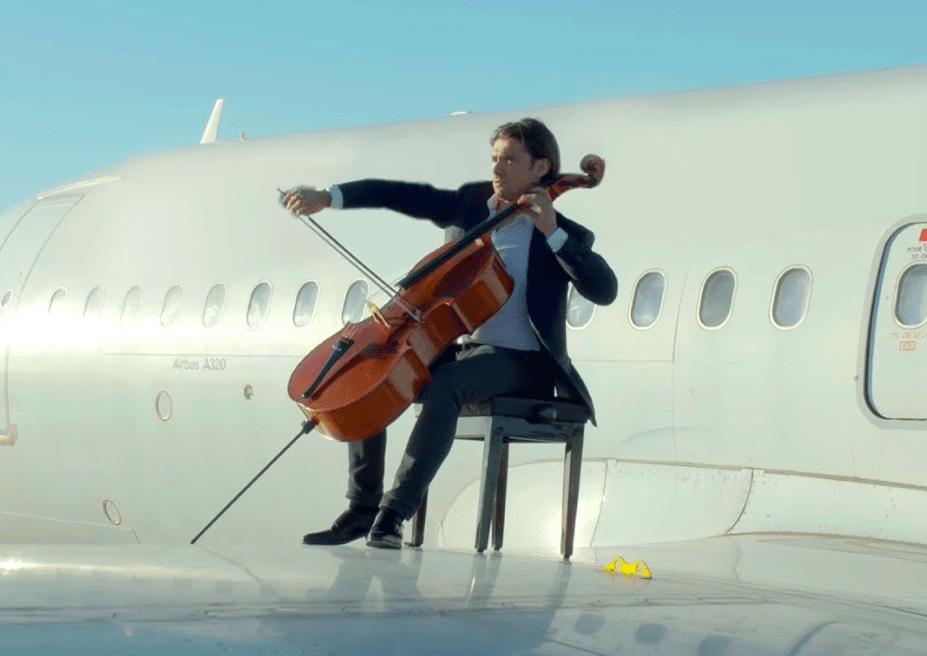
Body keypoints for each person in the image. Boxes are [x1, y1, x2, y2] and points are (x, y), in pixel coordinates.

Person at [282, 118, 617, 549]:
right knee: (372, 374)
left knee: (446, 386)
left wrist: (551, 231)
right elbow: (401, 194)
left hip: (523, 362)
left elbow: (604, 289)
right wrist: (329, 196)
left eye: (510, 159)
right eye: (495, 158)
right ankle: (361, 509)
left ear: (540, 168)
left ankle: (392, 514)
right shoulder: (470, 207)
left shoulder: (564, 232)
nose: (497, 168)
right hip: (467, 349)